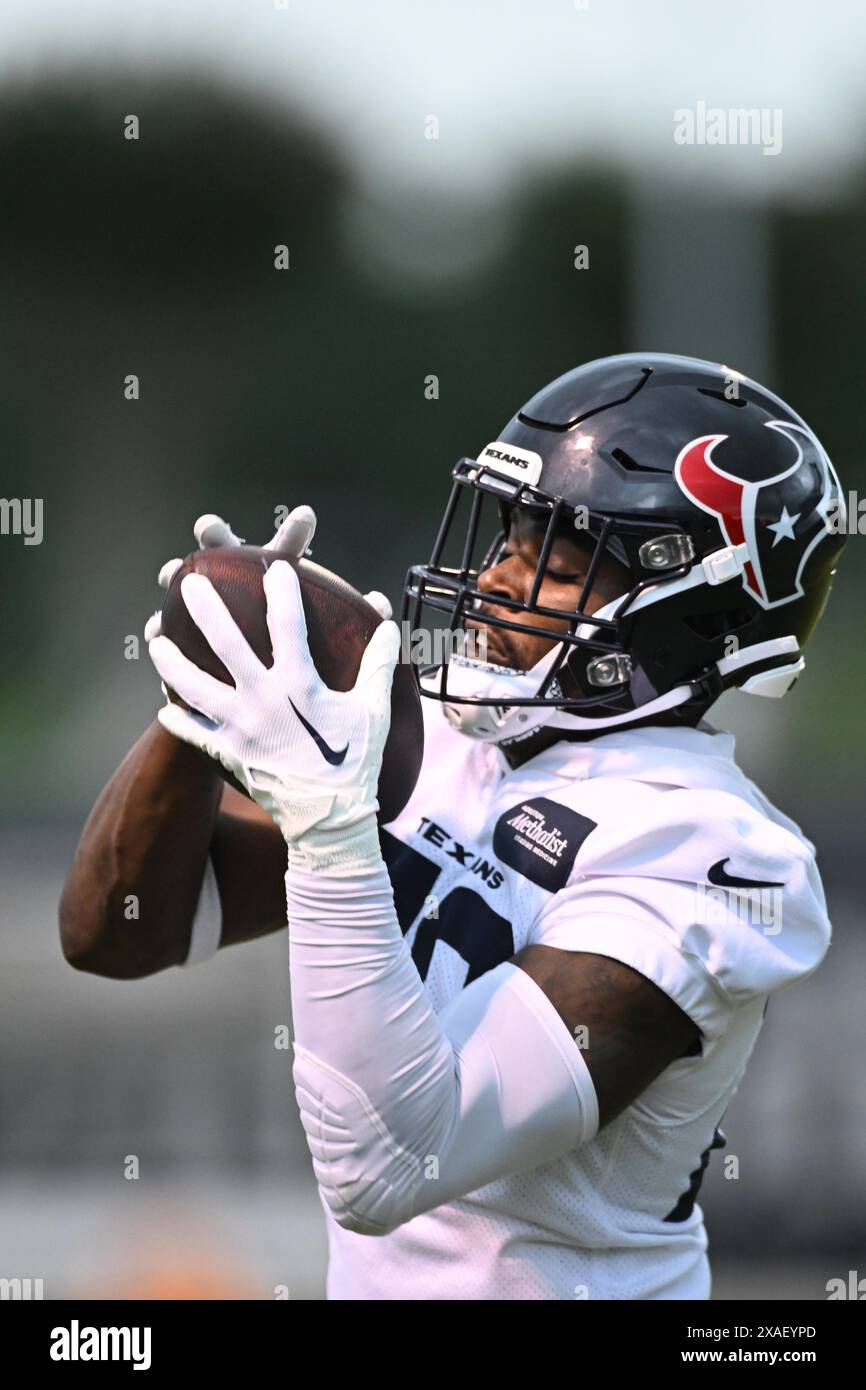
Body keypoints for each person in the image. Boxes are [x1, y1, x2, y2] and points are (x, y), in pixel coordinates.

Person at [60, 352, 847, 1300]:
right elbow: (118, 930)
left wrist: (327, 828)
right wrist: (212, 692)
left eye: (556, 564)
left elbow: (389, 1162)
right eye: (507, 538)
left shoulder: (711, 856)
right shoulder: (449, 737)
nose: (494, 582)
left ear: (688, 615)